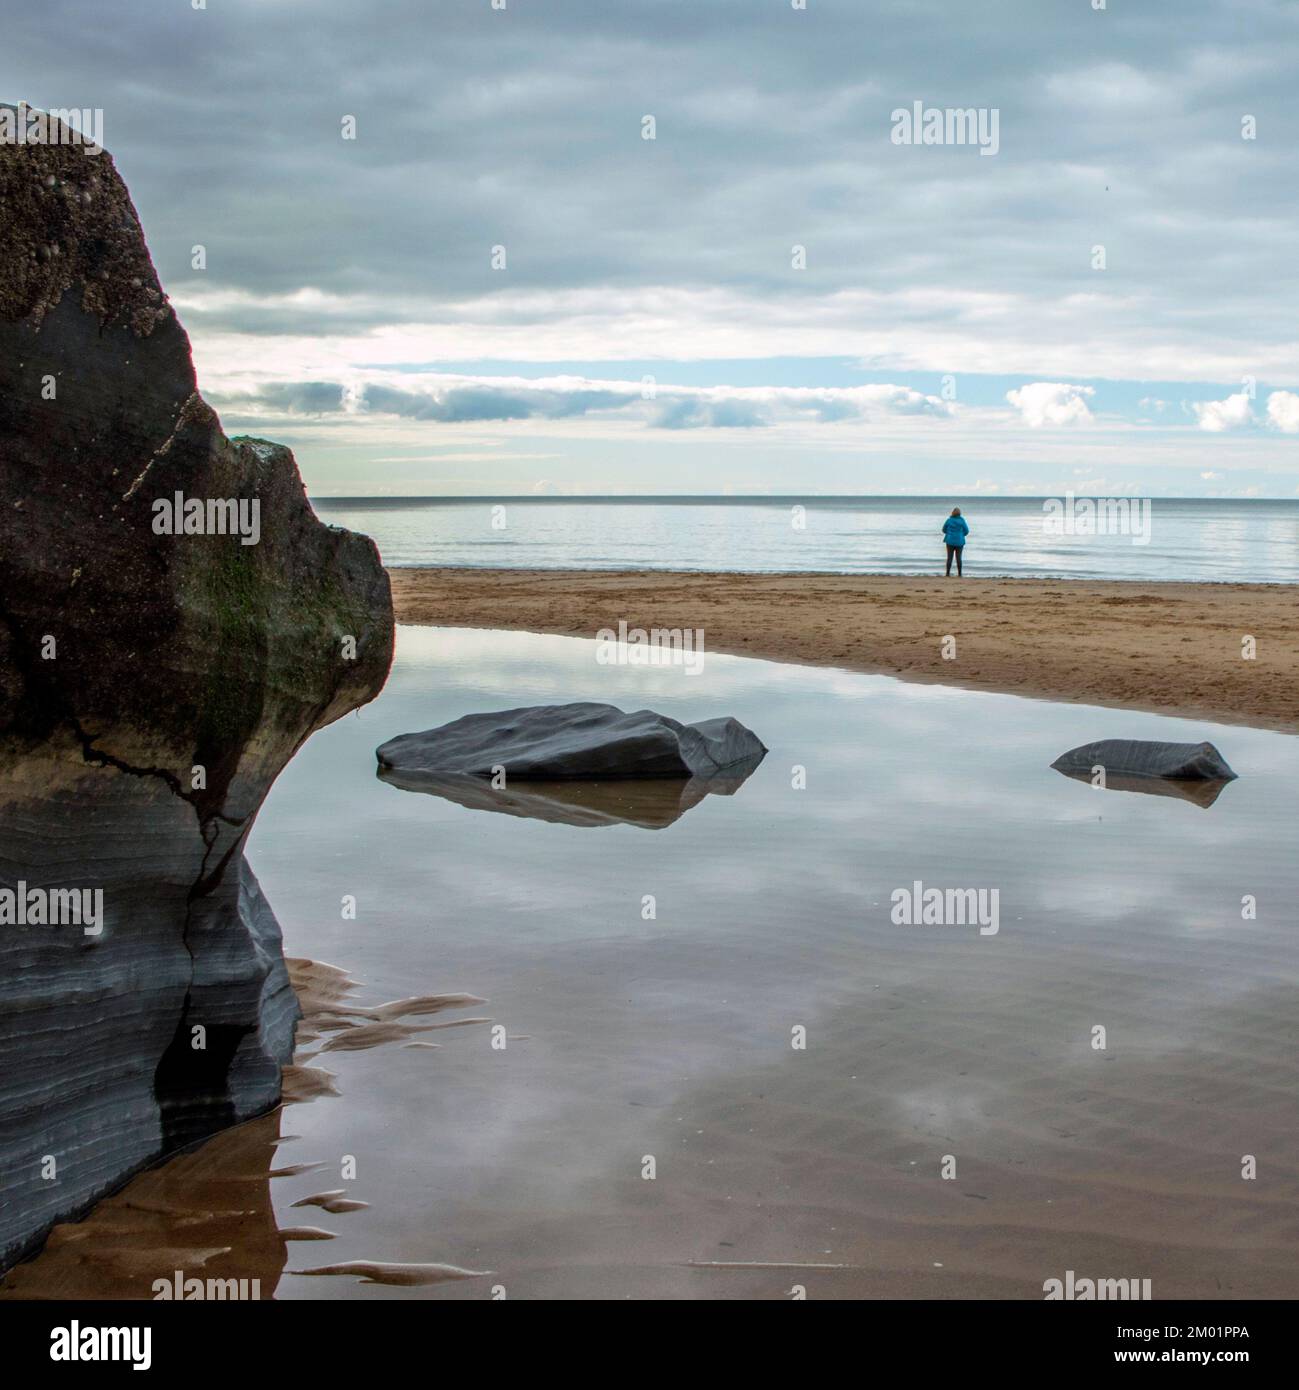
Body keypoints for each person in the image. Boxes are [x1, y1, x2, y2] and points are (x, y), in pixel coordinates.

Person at [942, 507, 968, 576]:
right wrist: (961, 535)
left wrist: (949, 533)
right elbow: (967, 531)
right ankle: (959, 574)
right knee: (959, 558)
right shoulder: (962, 521)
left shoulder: (949, 520)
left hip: (950, 541)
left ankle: (947, 573)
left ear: (952, 513)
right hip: (959, 541)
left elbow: (943, 529)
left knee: (949, 557)